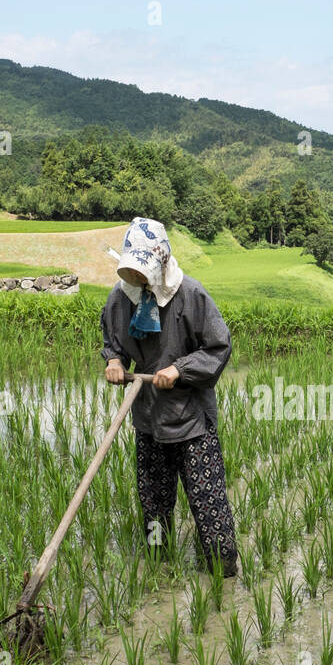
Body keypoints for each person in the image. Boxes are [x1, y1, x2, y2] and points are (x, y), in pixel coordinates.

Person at [100, 217, 239, 578]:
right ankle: (159, 569)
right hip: (147, 417)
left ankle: (221, 570)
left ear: (161, 261)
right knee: (153, 501)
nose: (139, 279)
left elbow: (218, 347)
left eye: (146, 270)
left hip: (192, 419)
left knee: (208, 500)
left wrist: (179, 369)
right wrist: (115, 361)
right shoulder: (121, 297)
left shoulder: (190, 294)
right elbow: (112, 342)